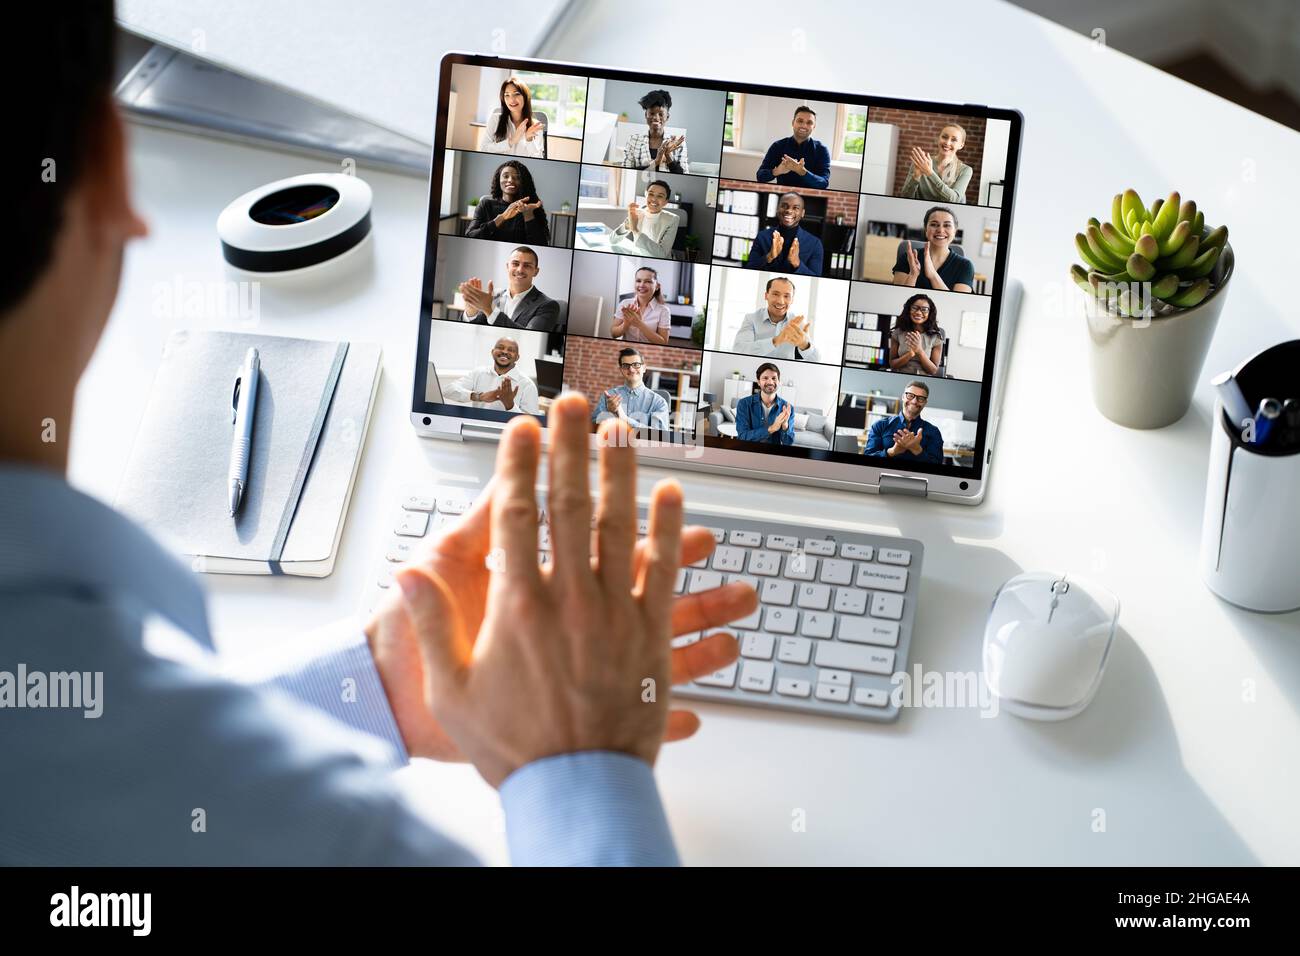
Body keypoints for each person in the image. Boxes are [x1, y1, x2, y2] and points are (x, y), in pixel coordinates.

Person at [2, 9, 756, 866]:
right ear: (109, 166)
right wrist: (579, 760)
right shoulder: (348, 843)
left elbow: (110, 791)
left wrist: (371, 688)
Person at [459, 246, 562, 333]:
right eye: (515, 264)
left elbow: (529, 337)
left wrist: (489, 310)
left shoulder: (548, 305)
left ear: (536, 271)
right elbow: (472, 331)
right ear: (507, 266)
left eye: (527, 265)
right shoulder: (494, 297)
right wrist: (470, 312)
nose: (520, 270)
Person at [731, 277, 822, 362]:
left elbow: (816, 360)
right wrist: (776, 340)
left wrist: (804, 345)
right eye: (775, 294)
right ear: (766, 295)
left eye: (786, 296)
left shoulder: (798, 323)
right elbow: (738, 350)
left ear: (792, 300)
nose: (780, 301)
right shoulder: (751, 319)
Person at [444, 336, 541, 414]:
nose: (505, 352)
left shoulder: (528, 385)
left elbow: (531, 423)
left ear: (517, 357)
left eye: (511, 350)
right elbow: (447, 390)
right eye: (500, 347)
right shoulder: (478, 373)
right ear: (492, 352)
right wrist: (479, 396)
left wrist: (510, 405)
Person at [464, 160, 551, 245]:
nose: (510, 180)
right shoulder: (486, 204)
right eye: (506, 176)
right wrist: (502, 218)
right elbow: (470, 236)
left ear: (523, 182)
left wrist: (528, 215)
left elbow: (541, 244)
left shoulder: (531, 207)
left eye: (517, 177)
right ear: (499, 179)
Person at [892, 206, 975, 293]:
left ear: (955, 232)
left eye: (947, 225)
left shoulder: (965, 266)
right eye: (934, 224)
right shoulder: (908, 258)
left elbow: (958, 302)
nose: (940, 230)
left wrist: (933, 275)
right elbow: (899, 295)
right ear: (926, 229)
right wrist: (913, 275)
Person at [863, 380, 944, 464]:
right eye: (910, 395)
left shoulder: (934, 432)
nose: (914, 401)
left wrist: (918, 450)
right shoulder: (879, 426)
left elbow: (937, 464)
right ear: (903, 397)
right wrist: (891, 452)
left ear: (925, 402)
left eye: (920, 398)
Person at [743, 192, 823, 276]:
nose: (788, 210)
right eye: (784, 206)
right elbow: (749, 268)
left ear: (802, 213)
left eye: (796, 208)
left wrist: (797, 263)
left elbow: (816, 278)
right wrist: (769, 257)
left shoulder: (815, 244)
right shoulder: (762, 236)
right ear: (778, 209)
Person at [590, 348, 671, 430]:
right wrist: (609, 413)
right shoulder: (608, 396)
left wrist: (625, 419)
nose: (631, 369)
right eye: (626, 366)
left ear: (644, 368)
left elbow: (660, 435)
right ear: (621, 370)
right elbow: (593, 428)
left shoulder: (659, 402)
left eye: (636, 364)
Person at [756, 106, 830, 189]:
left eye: (809, 123)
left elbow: (824, 183)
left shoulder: (822, 150)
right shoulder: (777, 146)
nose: (804, 125)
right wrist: (777, 171)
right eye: (800, 121)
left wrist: (803, 172)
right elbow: (760, 176)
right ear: (793, 122)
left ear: (814, 126)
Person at [622, 89, 688, 179]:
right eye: (652, 113)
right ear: (646, 115)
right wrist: (656, 162)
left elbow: (684, 176)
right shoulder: (633, 140)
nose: (656, 118)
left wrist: (668, 157)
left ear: (667, 116)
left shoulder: (678, 144)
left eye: (661, 114)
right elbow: (626, 173)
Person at [899, 124, 972, 204]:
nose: (947, 142)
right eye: (944, 137)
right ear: (938, 138)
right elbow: (905, 198)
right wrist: (916, 177)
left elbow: (954, 199)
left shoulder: (965, 170)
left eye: (954, 140)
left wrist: (930, 173)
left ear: (961, 145)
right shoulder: (922, 162)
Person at [611, 180, 681, 259]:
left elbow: (662, 254)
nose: (654, 199)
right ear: (646, 195)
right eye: (651, 194)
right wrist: (627, 225)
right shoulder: (637, 213)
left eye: (660, 196)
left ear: (665, 202)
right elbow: (612, 240)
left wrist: (635, 230)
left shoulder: (672, 219)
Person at [481, 75, 547, 158]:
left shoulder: (535, 126)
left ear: (525, 97)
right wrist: (511, 141)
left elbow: (539, 159)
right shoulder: (495, 119)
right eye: (507, 95)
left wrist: (529, 140)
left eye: (516, 94)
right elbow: (483, 149)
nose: (511, 100)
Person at [610, 265, 673, 346]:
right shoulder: (625, 304)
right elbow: (613, 334)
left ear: (657, 286)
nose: (642, 285)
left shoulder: (664, 310)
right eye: (638, 281)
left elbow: (663, 342)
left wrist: (639, 324)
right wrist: (626, 324)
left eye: (648, 281)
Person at [734, 363, 794, 446]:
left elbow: (788, 442)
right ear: (758, 382)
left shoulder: (787, 408)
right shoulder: (744, 404)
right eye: (765, 378)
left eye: (774, 378)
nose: (770, 382)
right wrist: (771, 429)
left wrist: (785, 426)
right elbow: (742, 437)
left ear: (779, 382)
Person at [888, 294, 944, 376]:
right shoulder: (897, 333)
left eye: (924, 309)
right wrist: (910, 354)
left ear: (930, 313)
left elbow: (933, 371)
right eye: (914, 308)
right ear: (908, 310)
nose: (918, 312)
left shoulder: (936, 337)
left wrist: (919, 350)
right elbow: (893, 365)